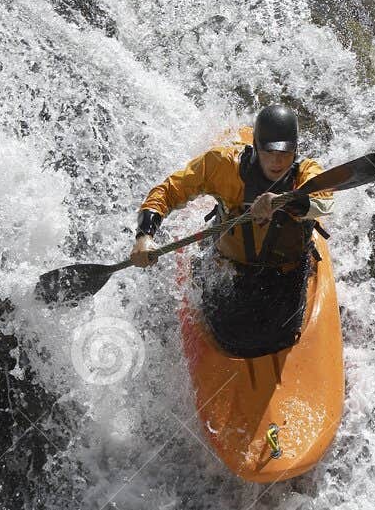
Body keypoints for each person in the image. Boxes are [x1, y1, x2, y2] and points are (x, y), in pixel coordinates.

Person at [131, 105, 333, 354]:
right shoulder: (222, 166)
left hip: (284, 274)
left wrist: (287, 200)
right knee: (229, 334)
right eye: (269, 152)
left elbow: (324, 203)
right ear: (257, 147)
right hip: (228, 266)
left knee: (277, 336)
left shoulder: (306, 173)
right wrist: (144, 236)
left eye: (285, 153)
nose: (277, 160)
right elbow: (168, 191)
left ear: (295, 151)